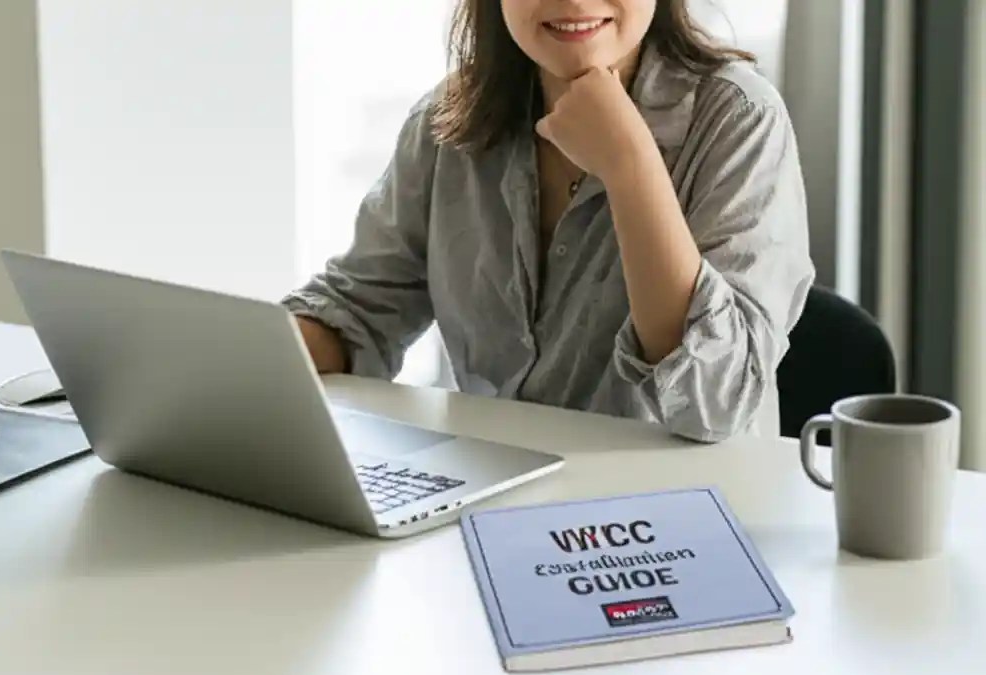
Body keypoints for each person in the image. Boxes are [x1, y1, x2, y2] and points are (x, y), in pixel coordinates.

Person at [283, 0, 814, 443]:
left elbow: (716, 402)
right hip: (492, 498)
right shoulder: (444, 125)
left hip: (679, 515)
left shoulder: (740, 119)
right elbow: (358, 310)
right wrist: (255, 360)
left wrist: (630, 166)